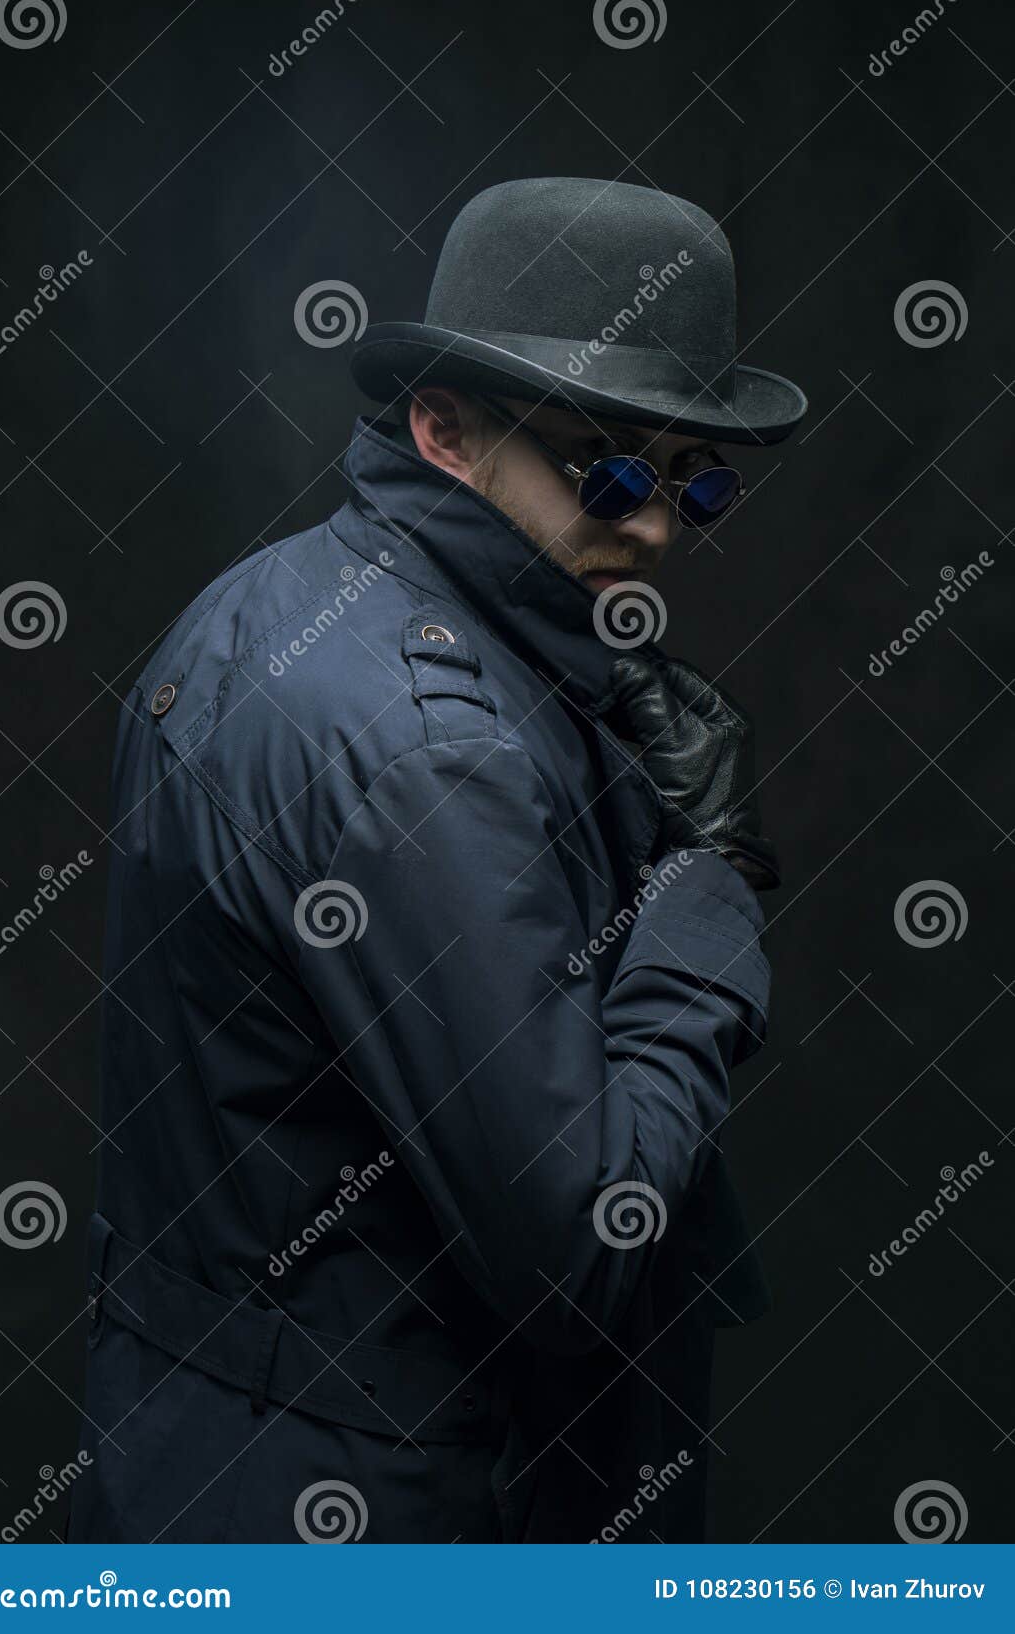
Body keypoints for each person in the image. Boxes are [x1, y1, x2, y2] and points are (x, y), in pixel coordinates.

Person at [67, 176, 807, 1544]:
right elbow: (589, 1239)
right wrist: (705, 880)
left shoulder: (258, 608)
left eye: (694, 478)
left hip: (193, 1455)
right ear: (445, 428)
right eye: (608, 465)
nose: (654, 524)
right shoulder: (432, 754)